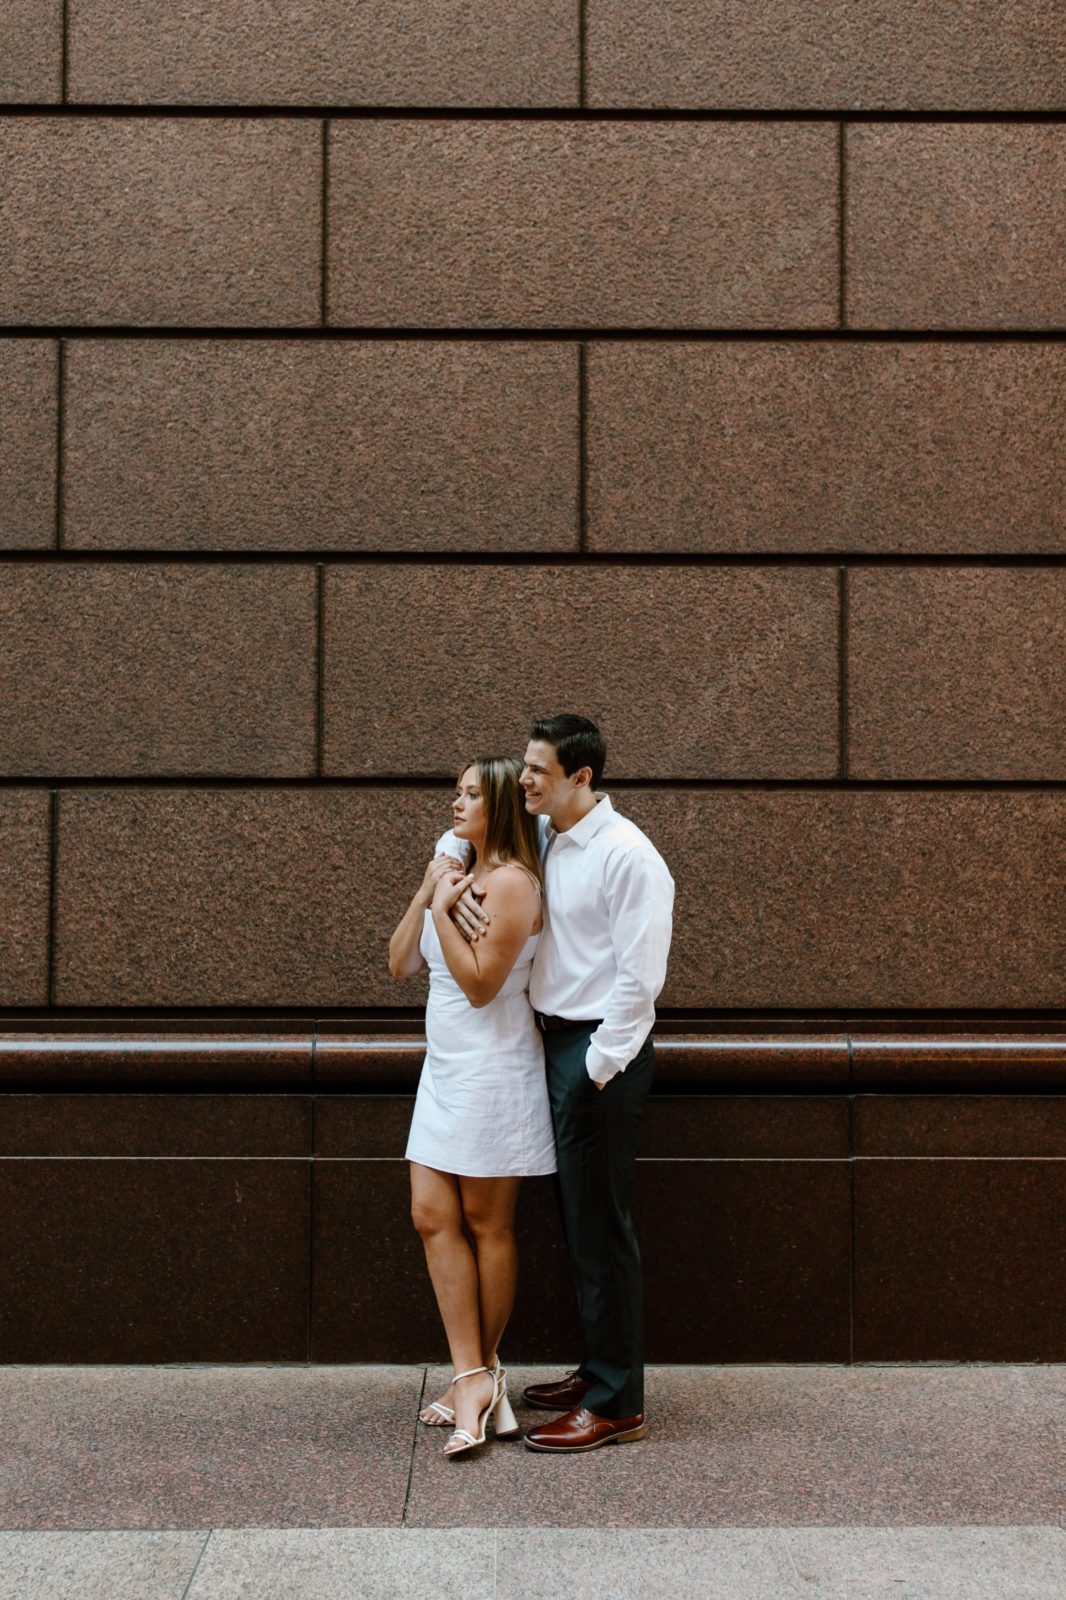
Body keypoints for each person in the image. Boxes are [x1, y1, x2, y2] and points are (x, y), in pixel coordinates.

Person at [446, 715, 675, 1453]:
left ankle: (617, 1404)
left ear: (582, 777)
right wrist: (448, 864)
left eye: (539, 769)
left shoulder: (629, 856)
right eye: (525, 765)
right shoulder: (544, 833)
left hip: (598, 1055)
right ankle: (598, 1371)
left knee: (602, 1230)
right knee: (580, 1225)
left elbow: (640, 983)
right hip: (555, 1043)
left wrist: (594, 1072)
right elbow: (467, 837)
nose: (526, 779)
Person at [388, 755, 555, 1459]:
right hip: (445, 1069)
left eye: (469, 795)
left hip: (494, 1069)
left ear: (501, 806)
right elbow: (401, 962)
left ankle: (476, 1379)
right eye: (454, 792)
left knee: (488, 1224)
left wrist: (441, 910)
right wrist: (429, 891)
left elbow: (483, 986)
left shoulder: (513, 883)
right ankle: (474, 1375)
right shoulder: (453, 871)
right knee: (431, 1214)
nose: (455, 804)